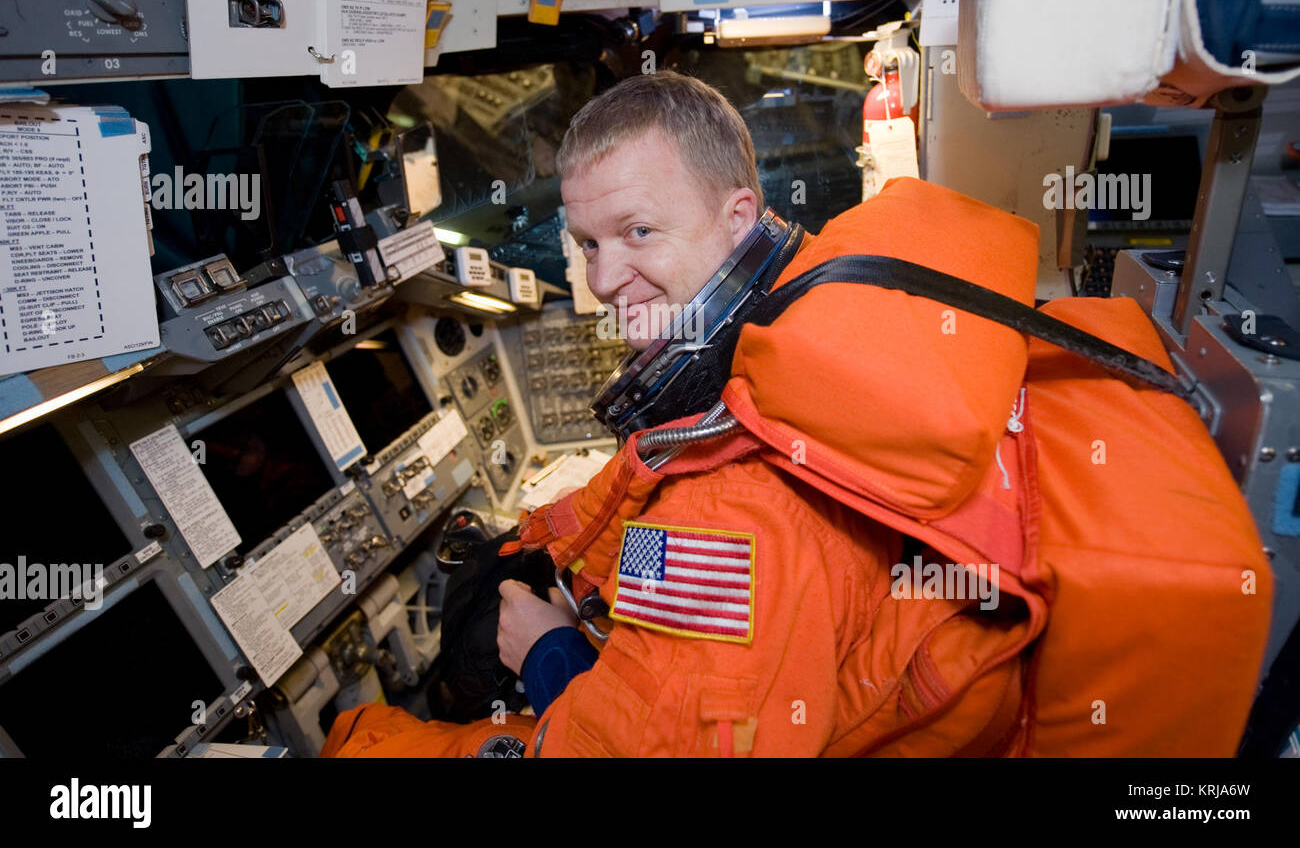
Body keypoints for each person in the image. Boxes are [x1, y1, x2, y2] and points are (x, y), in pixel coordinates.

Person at [321, 71, 1270, 758]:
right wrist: (557, 565)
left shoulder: (735, 513)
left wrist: (547, 651)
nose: (605, 281)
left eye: (639, 232)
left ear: (740, 219)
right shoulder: (826, 317)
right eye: (588, 242)